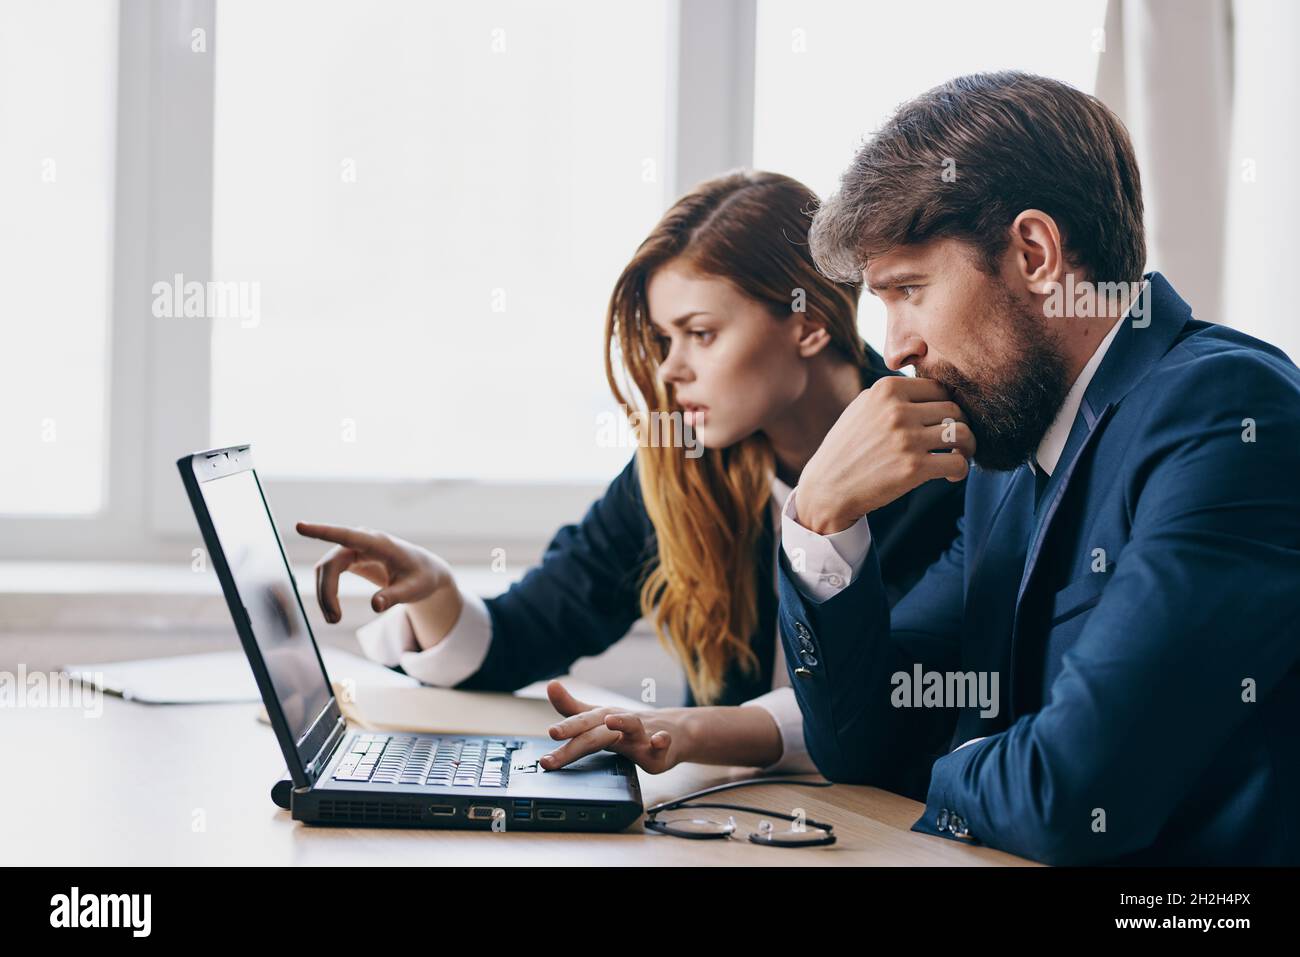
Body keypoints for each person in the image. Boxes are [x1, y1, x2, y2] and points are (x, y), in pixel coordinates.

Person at [778, 71, 1300, 864]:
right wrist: (819, 519)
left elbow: (1071, 794)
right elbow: (869, 743)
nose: (896, 347)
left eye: (909, 289)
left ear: (1034, 252)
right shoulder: (1008, 452)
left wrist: (946, 766)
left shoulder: (1228, 415)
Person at [297, 170, 966, 776]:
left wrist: (685, 728)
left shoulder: (943, 459)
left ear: (811, 323)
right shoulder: (682, 463)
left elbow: (883, 706)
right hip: (728, 831)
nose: (671, 370)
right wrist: (435, 590)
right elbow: (530, 632)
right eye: (663, 339)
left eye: (700, 333)